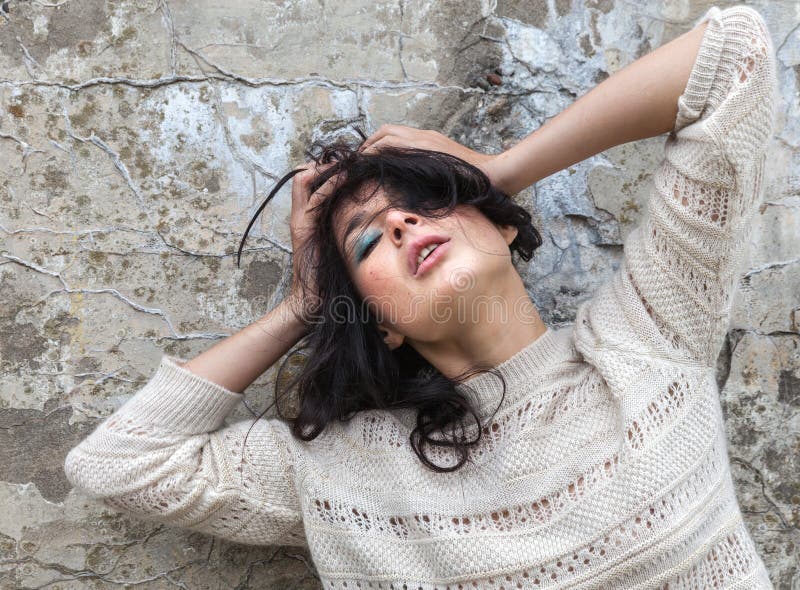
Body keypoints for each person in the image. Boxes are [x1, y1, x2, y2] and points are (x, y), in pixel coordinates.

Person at [64, 4, 778, 588]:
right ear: (380, 324)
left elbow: (736, 56)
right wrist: (305, 306)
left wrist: (500, 169)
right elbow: (120, 464)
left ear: (501, 226)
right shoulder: (347, 472)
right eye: (368, 243)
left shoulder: (649, 335)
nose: (401, 222)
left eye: (426, 201)